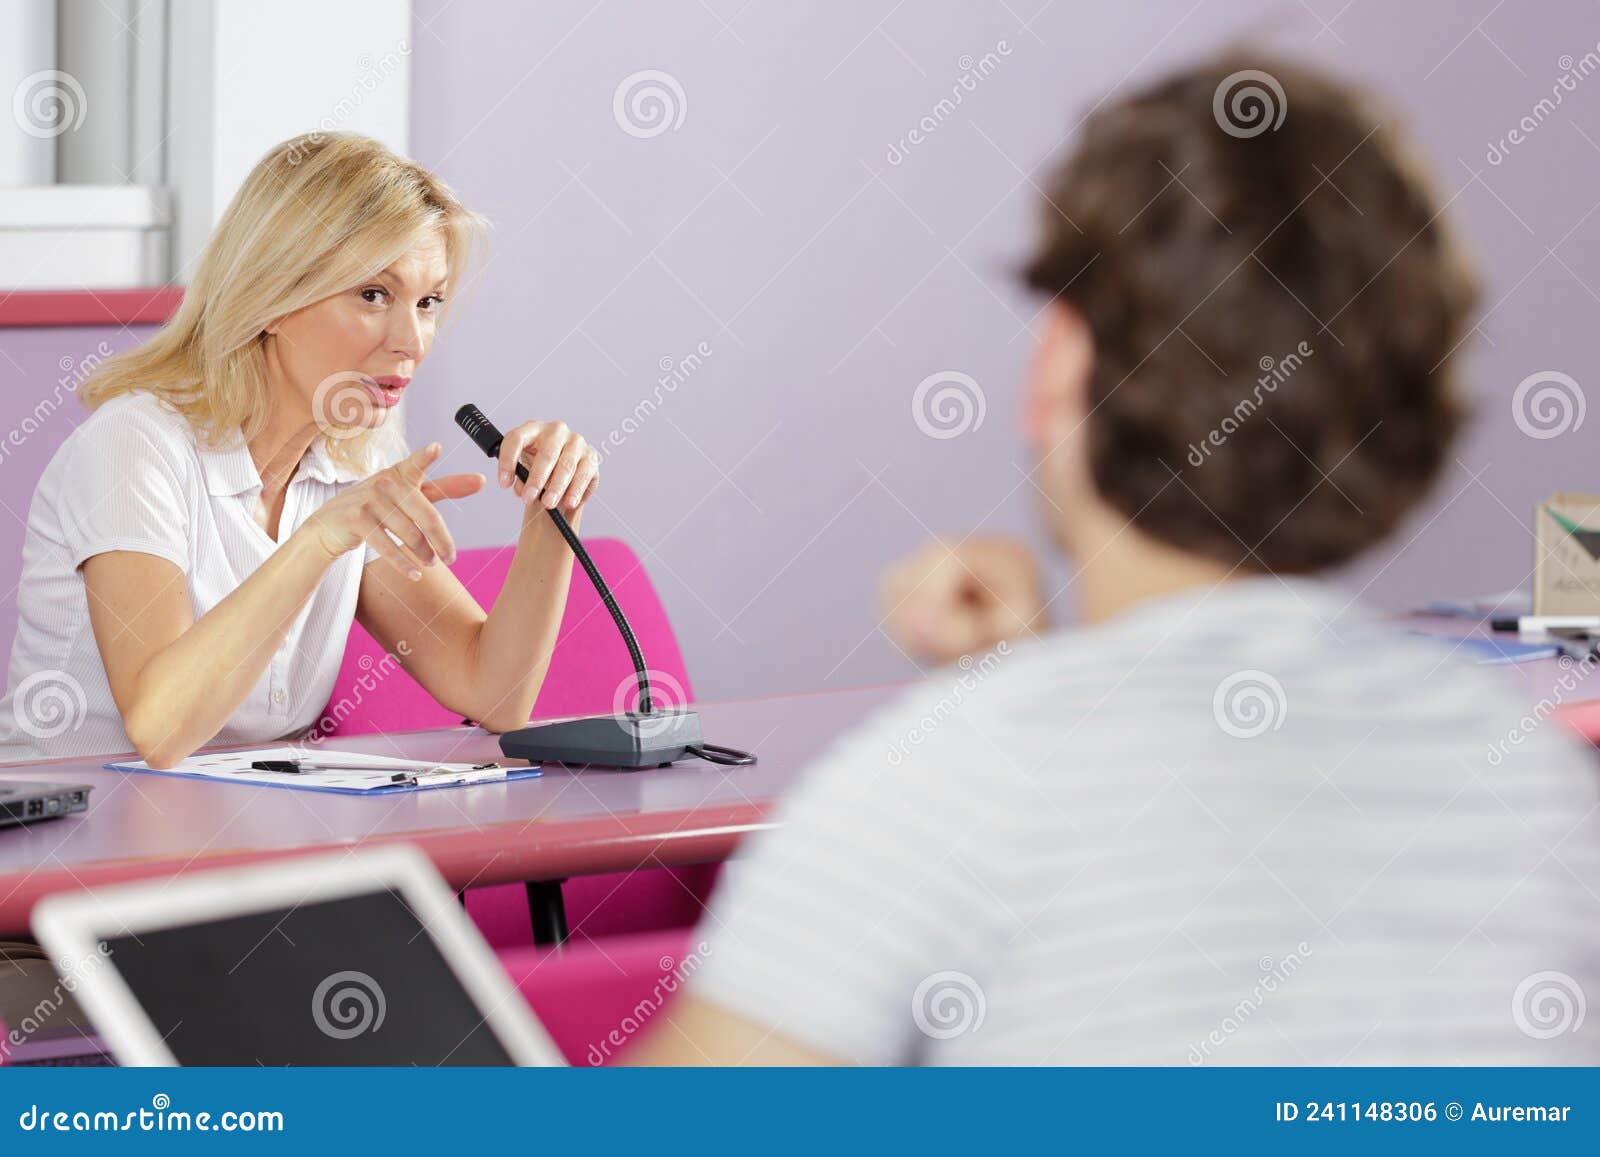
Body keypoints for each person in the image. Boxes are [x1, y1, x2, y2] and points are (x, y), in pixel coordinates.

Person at [630, 55, 1600, 1065]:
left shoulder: (937, 793)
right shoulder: (1535, 799)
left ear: (1056, 363)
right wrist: (1026, 684)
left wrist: (1003, 712)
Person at [0, 133, 600, 768]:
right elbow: (160, 727)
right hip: (73, 844)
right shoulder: (134, 444)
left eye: (428, 303)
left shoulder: (351, 461)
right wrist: (318, 541)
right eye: (373, 295)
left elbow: (494, 692)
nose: (412, 341)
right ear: (273, 301)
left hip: (241, 838)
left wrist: (552, 508)